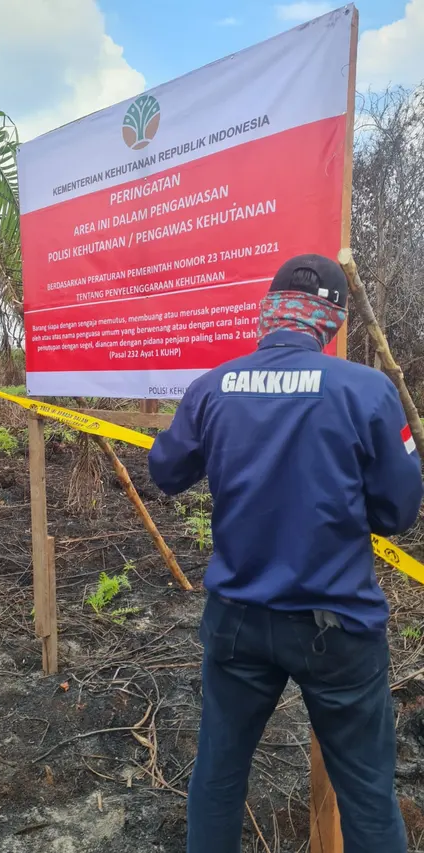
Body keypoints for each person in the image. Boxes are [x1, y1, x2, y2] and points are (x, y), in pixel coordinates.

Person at [148, 255, 423, 853]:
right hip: (339, 628)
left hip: (237, 621)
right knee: (369, 794)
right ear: (331, 321)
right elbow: (398, 513)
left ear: (269, 311)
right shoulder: (367, 390)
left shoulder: (213, 386)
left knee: (218, 773)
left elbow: (165, 471)